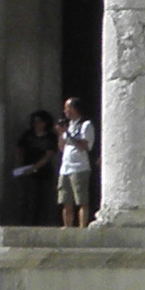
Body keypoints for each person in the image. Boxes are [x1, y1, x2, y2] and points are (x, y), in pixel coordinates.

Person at [7, 111, 58, 229]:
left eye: (39, 121)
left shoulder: (50, 137)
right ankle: (26, 222)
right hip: (27, 170)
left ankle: (43, 222)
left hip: (44, 172)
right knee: (28, 197)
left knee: (43, 197)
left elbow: (49, 154)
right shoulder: (27, 135)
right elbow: (18, 149)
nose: (36, 124)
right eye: (34, 121)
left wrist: (35, 167)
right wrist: (18, 165)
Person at [54, 97, 98, 228]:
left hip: (80, 167)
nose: (65, 111)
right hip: (65, 167)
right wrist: (60, 134)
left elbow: (84, 146)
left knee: (81, 200)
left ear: (73, 109)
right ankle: (67, 226)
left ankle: (82, 227)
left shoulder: (86, 125)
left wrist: (67, 134)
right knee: (65, 200)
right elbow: (61, 147)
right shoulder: (69, 126)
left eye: (67, 108)